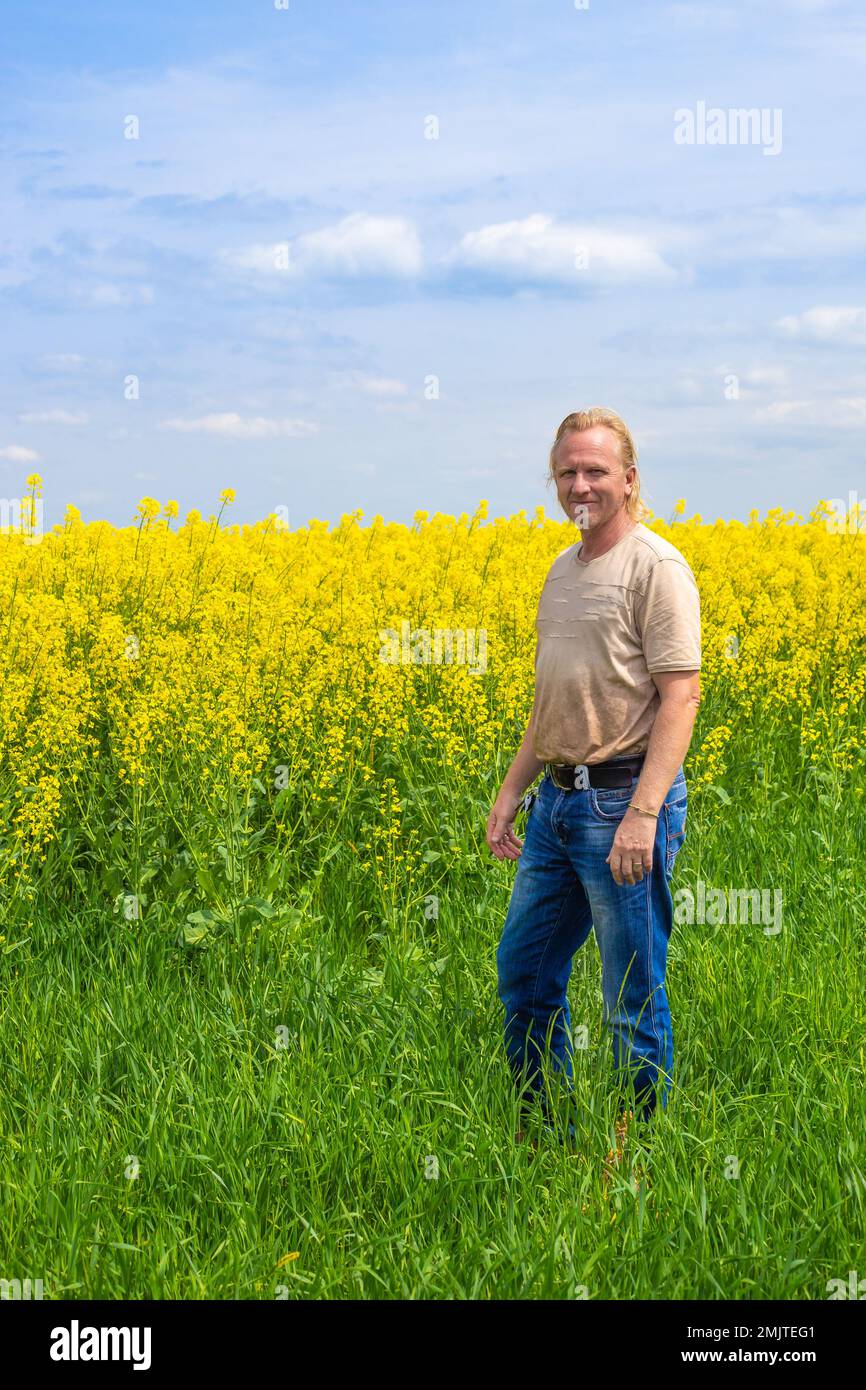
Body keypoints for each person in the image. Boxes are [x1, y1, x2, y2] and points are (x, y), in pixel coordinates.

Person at [488, 407, 701, 1148]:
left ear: (630, 479)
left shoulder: (656, 568)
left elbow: (682, 695)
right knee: (525, 975)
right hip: (556, 805)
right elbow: (555, 697)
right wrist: (514, 789)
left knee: (629, 998)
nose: (580, 485)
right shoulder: (562, 570)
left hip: (622, 803)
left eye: (596, 471)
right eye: (568, 472)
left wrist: (644, 814)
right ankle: (546, 1138)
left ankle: (634, 1159)